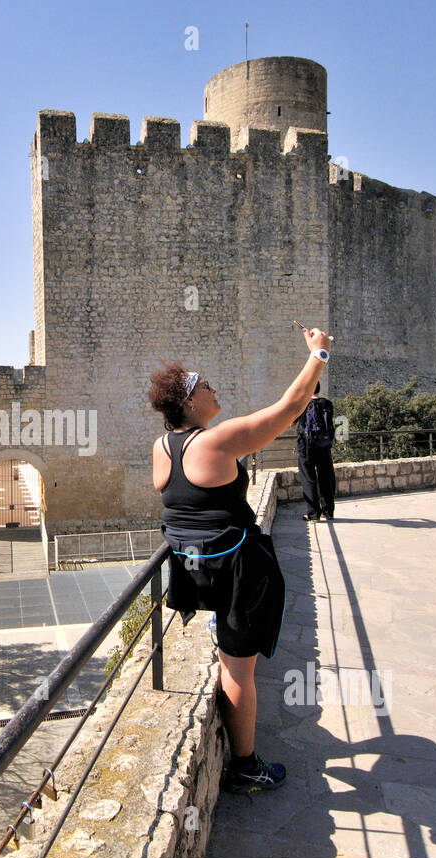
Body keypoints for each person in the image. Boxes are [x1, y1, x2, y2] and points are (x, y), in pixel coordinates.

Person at [148, 327, 332, 793]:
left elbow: (183, 503)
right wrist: (318, 354)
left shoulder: (161, 447)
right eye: (205, 385)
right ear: (190, 403)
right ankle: (244, 764)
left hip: (191, 572)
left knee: (232, 658)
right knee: (238, 672)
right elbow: (290, 408)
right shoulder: (215, 442)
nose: (214, 389)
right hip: (234, 571)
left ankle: (218, 632)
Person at [296, 380, 337, 522]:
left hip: (306, 446)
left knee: (309, 478)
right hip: (324, 445)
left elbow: (291, 422)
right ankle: (328, 512)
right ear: (318, 389)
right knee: (326, 477)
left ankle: (313, 514)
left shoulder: (302, 404)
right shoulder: (327, 403)